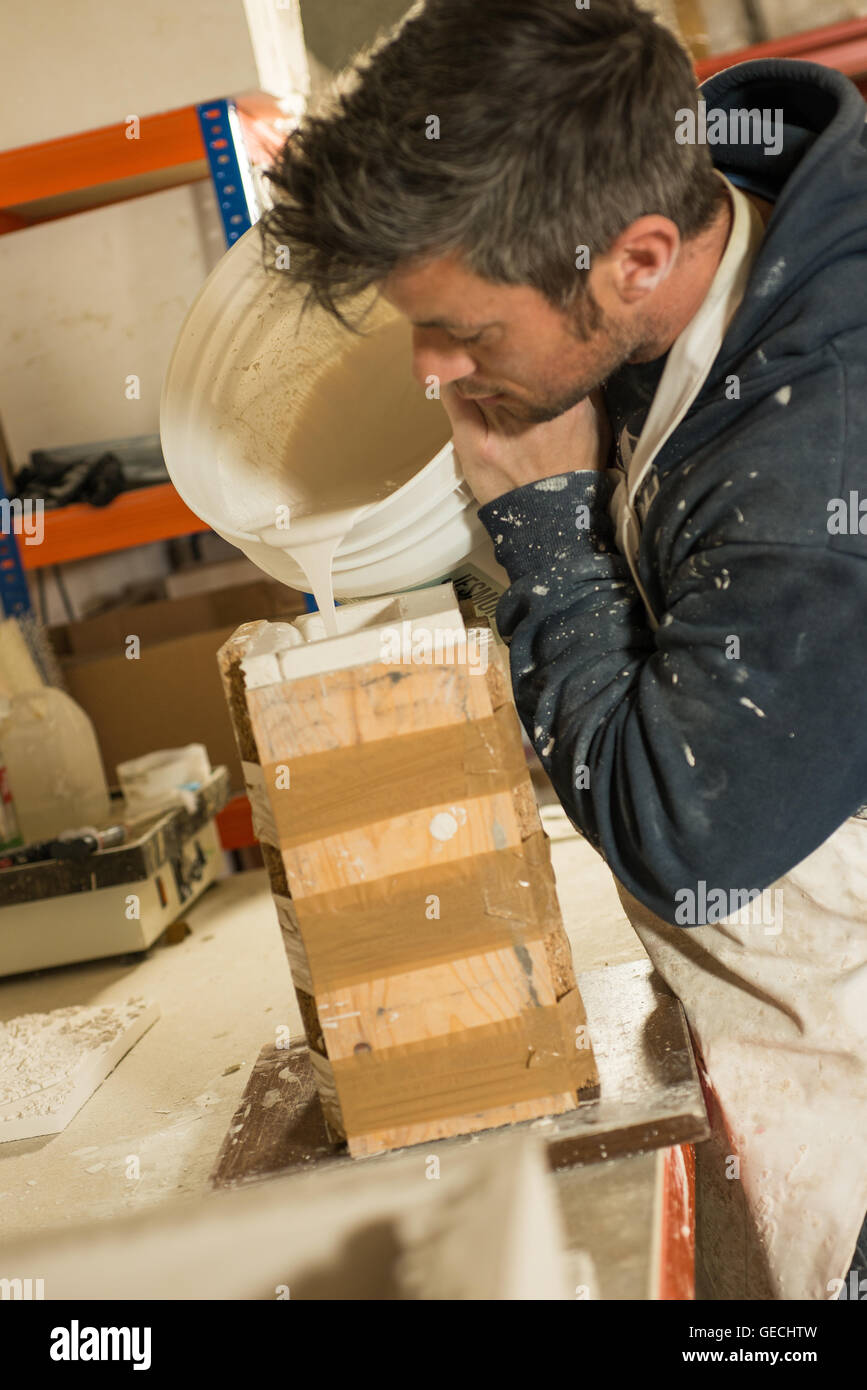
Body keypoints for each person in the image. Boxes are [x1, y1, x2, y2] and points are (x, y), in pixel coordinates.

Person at [260, 0, 867, 1299]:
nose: (432, 371)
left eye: (466, 335)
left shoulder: (827, 458)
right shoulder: (711, 246)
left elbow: (685, 826)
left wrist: (543, 527)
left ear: (639, 257)